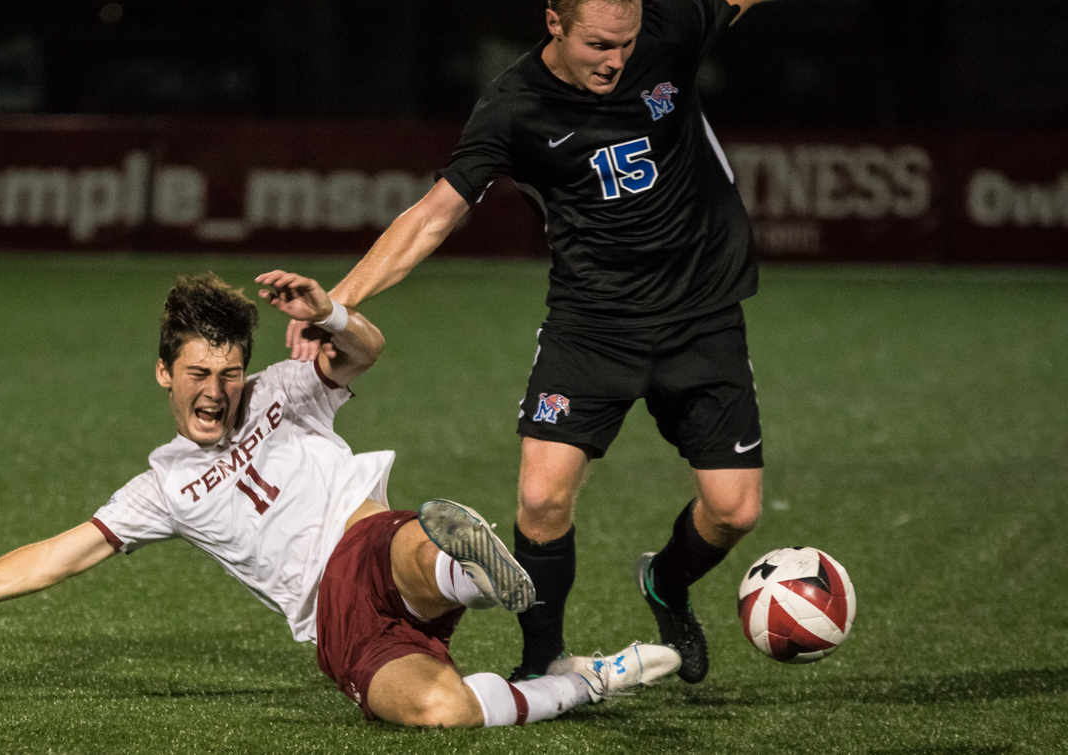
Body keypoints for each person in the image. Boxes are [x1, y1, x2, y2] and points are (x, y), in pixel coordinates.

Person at [0, 270, 681, 728]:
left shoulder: (284, 388)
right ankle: (585, 681)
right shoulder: (161, 487)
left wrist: (333, 311)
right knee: (442, 710)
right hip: (336, 624)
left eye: (229, 371)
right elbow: (56, 556)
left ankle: (472, 569)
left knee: (411, 542)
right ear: (164, 372)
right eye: (198, 373)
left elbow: (366, 351)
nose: (216, 390)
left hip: (369, 541)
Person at [286, 0, 774, 683]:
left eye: (627, 44)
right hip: (592, 324)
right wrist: (340, 303)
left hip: (703, 314)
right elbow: (433, 217)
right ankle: (542, 659)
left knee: (734, 511)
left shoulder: (671, 27)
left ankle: (664, 581)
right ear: (554, 22)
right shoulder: (514, 106)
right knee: (541, 500)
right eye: (599, 45)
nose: (616, 60)